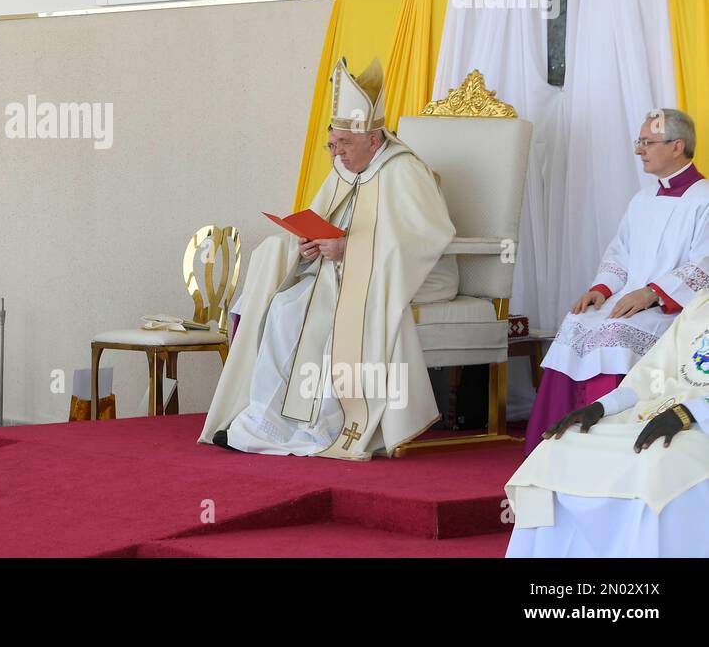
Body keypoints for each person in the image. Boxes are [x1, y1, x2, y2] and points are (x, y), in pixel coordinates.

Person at [201, 58, 455, 459]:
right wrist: (308, 247)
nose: (336, 153)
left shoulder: (405, 170)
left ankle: (325, 427)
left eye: (344, 144)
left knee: (328, 319)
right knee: (286, 308)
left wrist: (350, 250)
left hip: (400, 275)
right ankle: (267, 421)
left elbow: (429, 238)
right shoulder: (343, 168)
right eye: (331, 144)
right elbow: (321, 221)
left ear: (374, 140)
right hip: (341, 272)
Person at [525, 109, 709, 450]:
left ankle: (605, 444)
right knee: (576, 323)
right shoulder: (642, 200)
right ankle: (552, 443)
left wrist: (653, 294)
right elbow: (620, 253)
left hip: (675, 310)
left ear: (677, 146)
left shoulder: (704, 199)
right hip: (631, 298)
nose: (639, 150)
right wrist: (601, 289)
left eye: (647, 142)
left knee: (614, 334)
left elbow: (705, 264)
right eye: (638, 142)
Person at [505, 291, 709, 557]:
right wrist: (602, 407)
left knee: (657, 460)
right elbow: (651, 374)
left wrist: (691, 411)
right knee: (558, 446)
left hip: (698, 424)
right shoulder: (701, 303)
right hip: (658, 414)